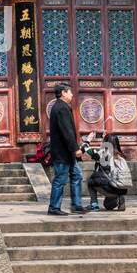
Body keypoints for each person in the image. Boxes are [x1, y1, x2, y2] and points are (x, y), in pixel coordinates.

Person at [47, 84, 86, 215]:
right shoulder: (61, 108)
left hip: (67, 152)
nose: (72, 94)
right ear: (63, 93)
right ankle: (54, 207)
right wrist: (75, 149)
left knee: (77, 175)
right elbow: (67, 131)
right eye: (70, 92)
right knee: (60, 179)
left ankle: (76, 205)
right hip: (62, 152)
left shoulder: (61, 106)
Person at [85, 132, 132, 211]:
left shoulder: (103, 153)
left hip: (109, 188)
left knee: (90, 181)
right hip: (122, 189)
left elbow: (84, 148)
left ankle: (94, 204)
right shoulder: (121, 156)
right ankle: (120, 198)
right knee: (107, 206)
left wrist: (88, 140)